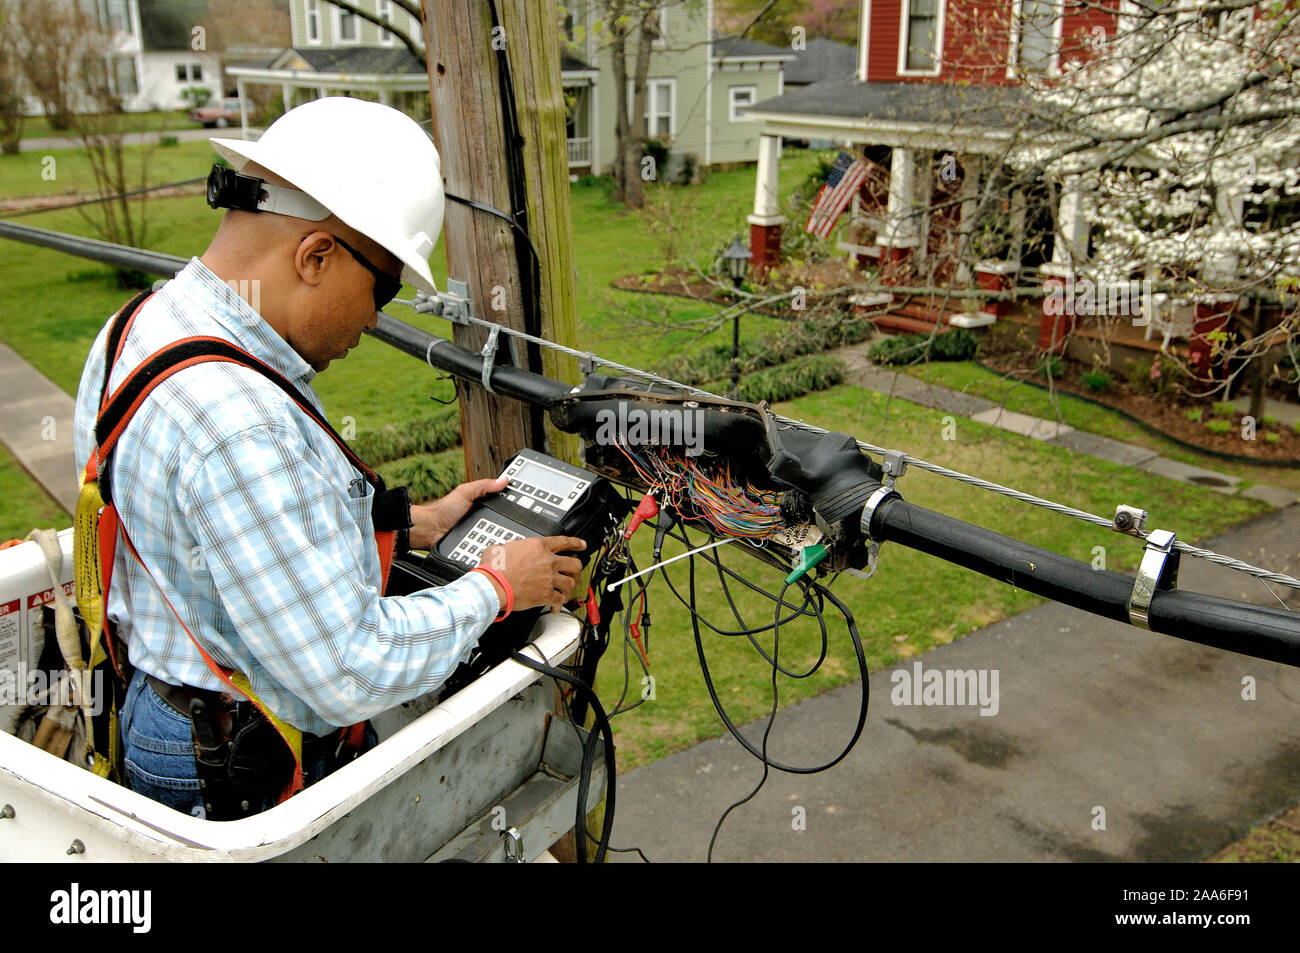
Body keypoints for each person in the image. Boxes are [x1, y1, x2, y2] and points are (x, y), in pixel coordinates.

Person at [72, 97, 584, 818]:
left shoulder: (140, 326)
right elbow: (346, 667)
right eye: (385, 288)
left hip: (160, 709)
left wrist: (415, 524)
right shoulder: (236, 422)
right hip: (237, 759)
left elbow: (214, 551)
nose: (376, 319)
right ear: (315, 255)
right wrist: (498, 587)